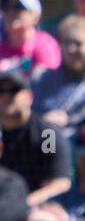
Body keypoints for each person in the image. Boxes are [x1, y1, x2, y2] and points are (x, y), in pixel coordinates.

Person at [0, 69, 72, 208]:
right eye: (0, 91)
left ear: (29, 97)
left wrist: (22, 205)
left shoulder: (47, 135)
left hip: (37, 211)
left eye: (13, 90)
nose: (6, 96)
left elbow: (59, 182)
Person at [31, 14, 85, 132]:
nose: (71, 49)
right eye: (66, 43)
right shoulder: (43, 78)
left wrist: (68, 120)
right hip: (47, 139)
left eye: (78, 43)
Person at [0, 0, 60, 75]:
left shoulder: (45, 45)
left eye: (18, 7)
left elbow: (46, 82)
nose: (11, 12)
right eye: (6, 7)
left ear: (35, 16)